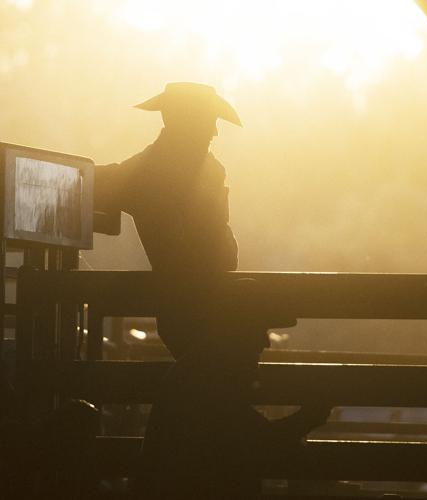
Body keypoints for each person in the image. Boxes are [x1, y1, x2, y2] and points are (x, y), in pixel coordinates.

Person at [95, 82, 330, 498]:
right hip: (204, 311)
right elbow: (225, 251)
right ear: (186, 123)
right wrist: (311, 416)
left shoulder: (151, 171)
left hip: (189, 311)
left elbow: (102, 183)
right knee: (218, 408)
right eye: (207, 124)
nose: (213, 133)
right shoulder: (195, 171)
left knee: (212, 407)